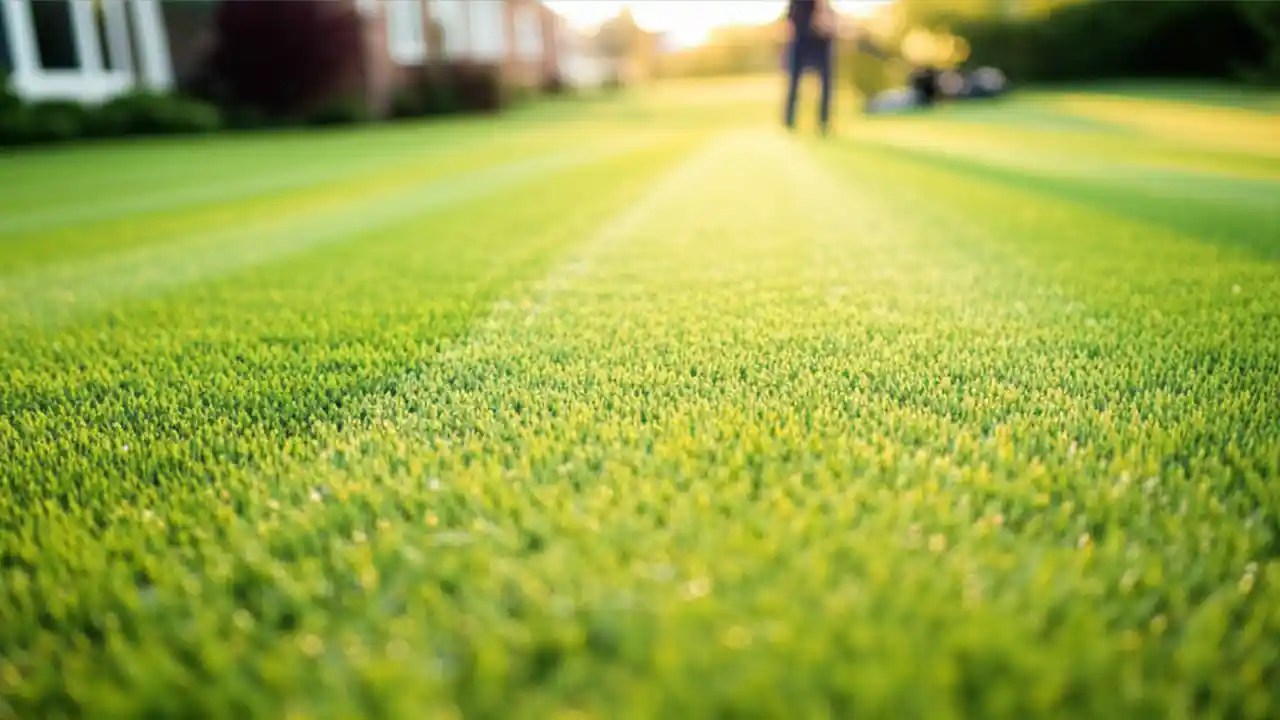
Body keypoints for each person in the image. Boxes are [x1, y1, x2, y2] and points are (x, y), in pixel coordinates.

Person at [784, 0, 835, 135]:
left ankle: (823, 121)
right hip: (801, 36)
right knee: (794, 81)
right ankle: (789, 121)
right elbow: (790, 17)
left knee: (825, 83)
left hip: (819, 39)